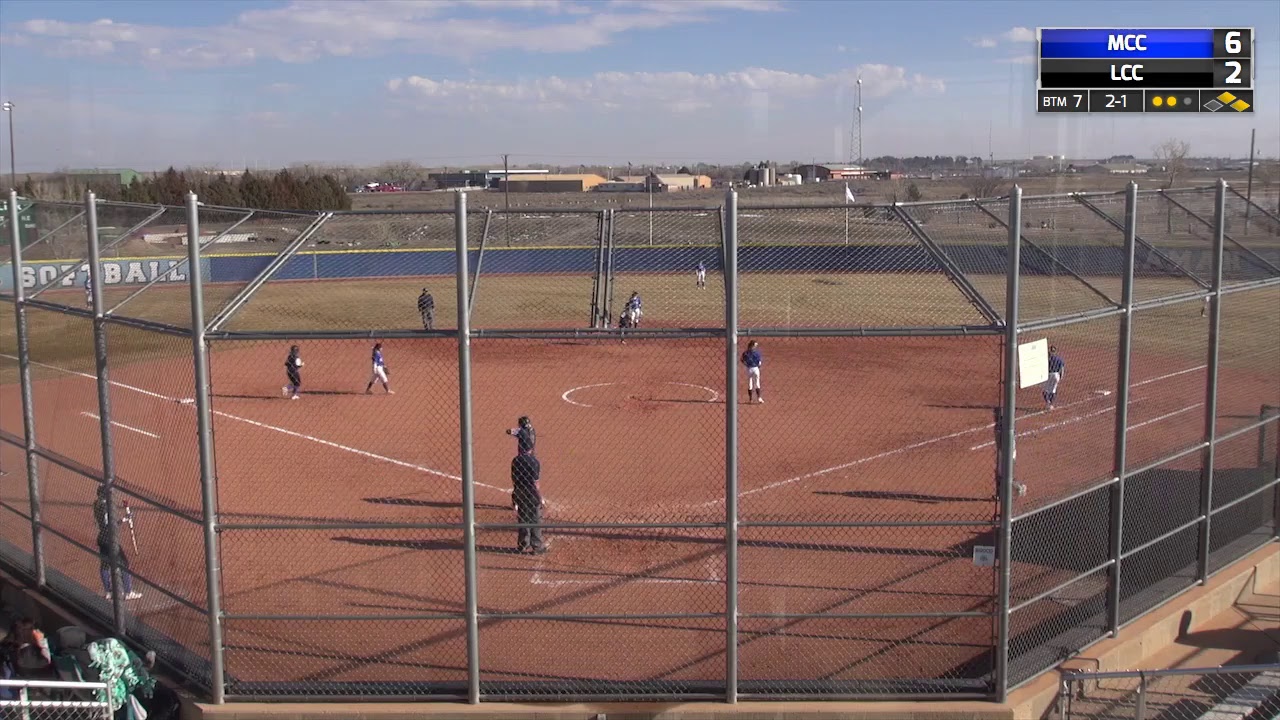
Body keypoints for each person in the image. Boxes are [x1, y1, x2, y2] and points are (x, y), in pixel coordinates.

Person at [94, 485, 142, 601]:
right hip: (110, 540)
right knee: (124, 563)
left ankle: (108, 592)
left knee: (105, 565)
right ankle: (128, 592)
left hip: (102, 538)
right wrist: (124, 519)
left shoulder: (96, 504)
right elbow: (109, 525)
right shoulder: (105, 507)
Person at [511, 448, 547, 554]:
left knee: (523, 517)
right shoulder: (534, 461)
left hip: (519, 491)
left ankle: (523, 545)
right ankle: (537, 546)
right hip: (531, 493)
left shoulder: (515, 460)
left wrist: (515, 494)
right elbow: (536, 483)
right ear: (531, 448)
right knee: (535, 518)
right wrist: (540, 497)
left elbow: (513, 479)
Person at [993, 408, 1027, 497]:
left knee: (1005, 476)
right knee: (1002, 475)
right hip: (1005, 454)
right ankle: (1000, 493)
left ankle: (1019, 487)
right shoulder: (1006, 429)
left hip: (1008, 455)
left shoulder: (1004, 431)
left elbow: (1000, 444)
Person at [741, 340, 763, 404]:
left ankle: (750, 399)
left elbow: (742, 360)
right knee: (757, 383)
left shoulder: (745, 353)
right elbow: (759, 363)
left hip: (749, 369)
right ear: (752, 346)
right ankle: (759, 398)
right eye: (755, 345)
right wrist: (758, 366)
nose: (756, 347)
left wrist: (746, 364)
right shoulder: (757, 353)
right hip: (756, 368)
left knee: (750, 384)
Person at [1043, 345, 1065, 410]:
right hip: (1056, 375)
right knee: (1053, 390)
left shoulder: (1047, 359)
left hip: (1049, 375)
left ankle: (1048, 402)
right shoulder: (1059, 359)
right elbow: (1062, 368)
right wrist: (1061, 376)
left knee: (1045, 390)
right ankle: (1051, 405)